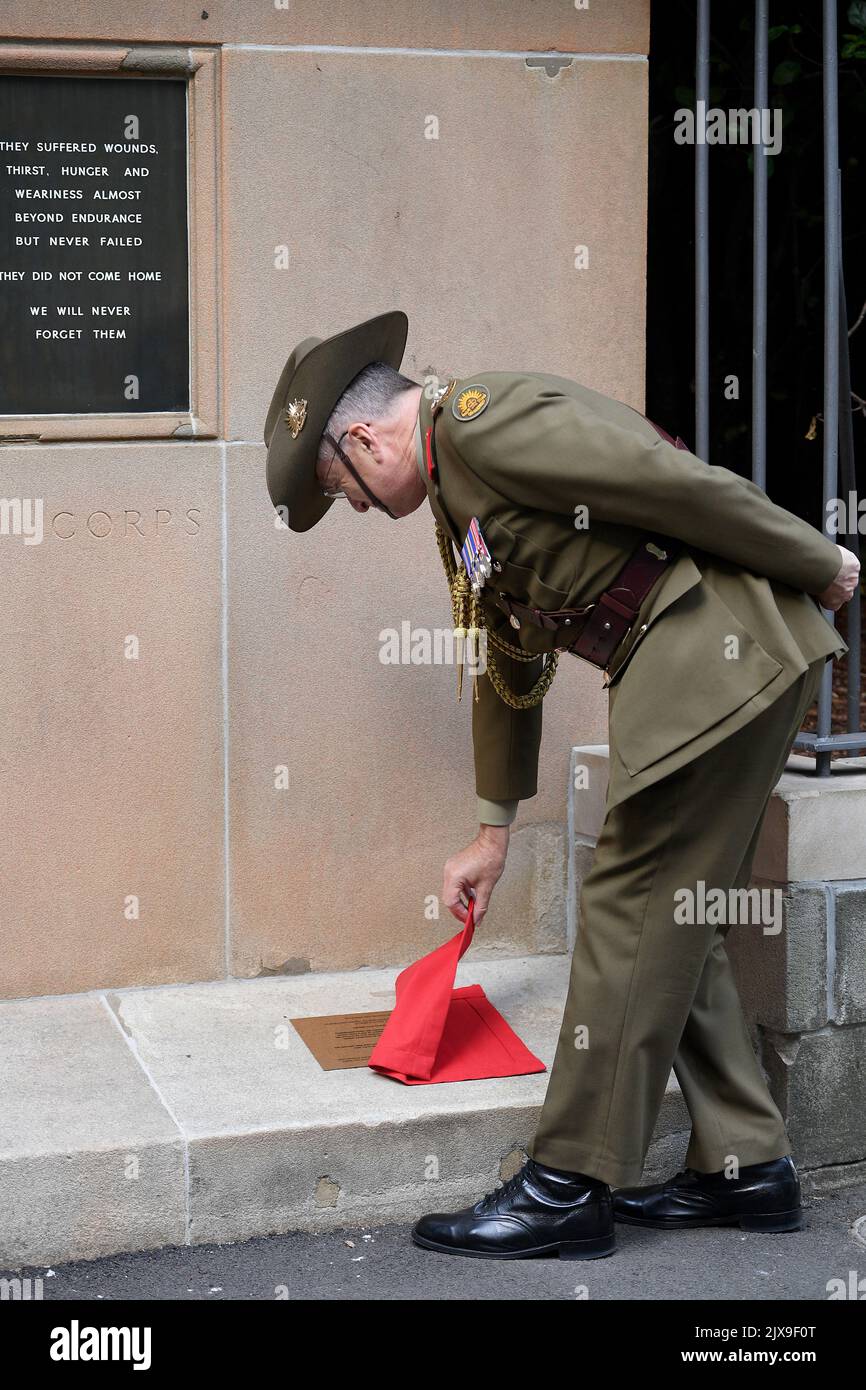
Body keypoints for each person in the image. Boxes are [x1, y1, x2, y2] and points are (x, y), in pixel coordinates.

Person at [264, 311, 860, 1260]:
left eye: (342, 488)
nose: (358, 509)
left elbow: (664, 479)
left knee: (629, 897)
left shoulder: (483, 423)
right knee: (676, 911)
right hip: (702, 661)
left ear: (366, 436)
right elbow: (510, 662)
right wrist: (492, 833)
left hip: (720, 646)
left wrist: (816, 557)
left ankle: (567, 1186)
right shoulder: (458, 499)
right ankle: (747, 1169)